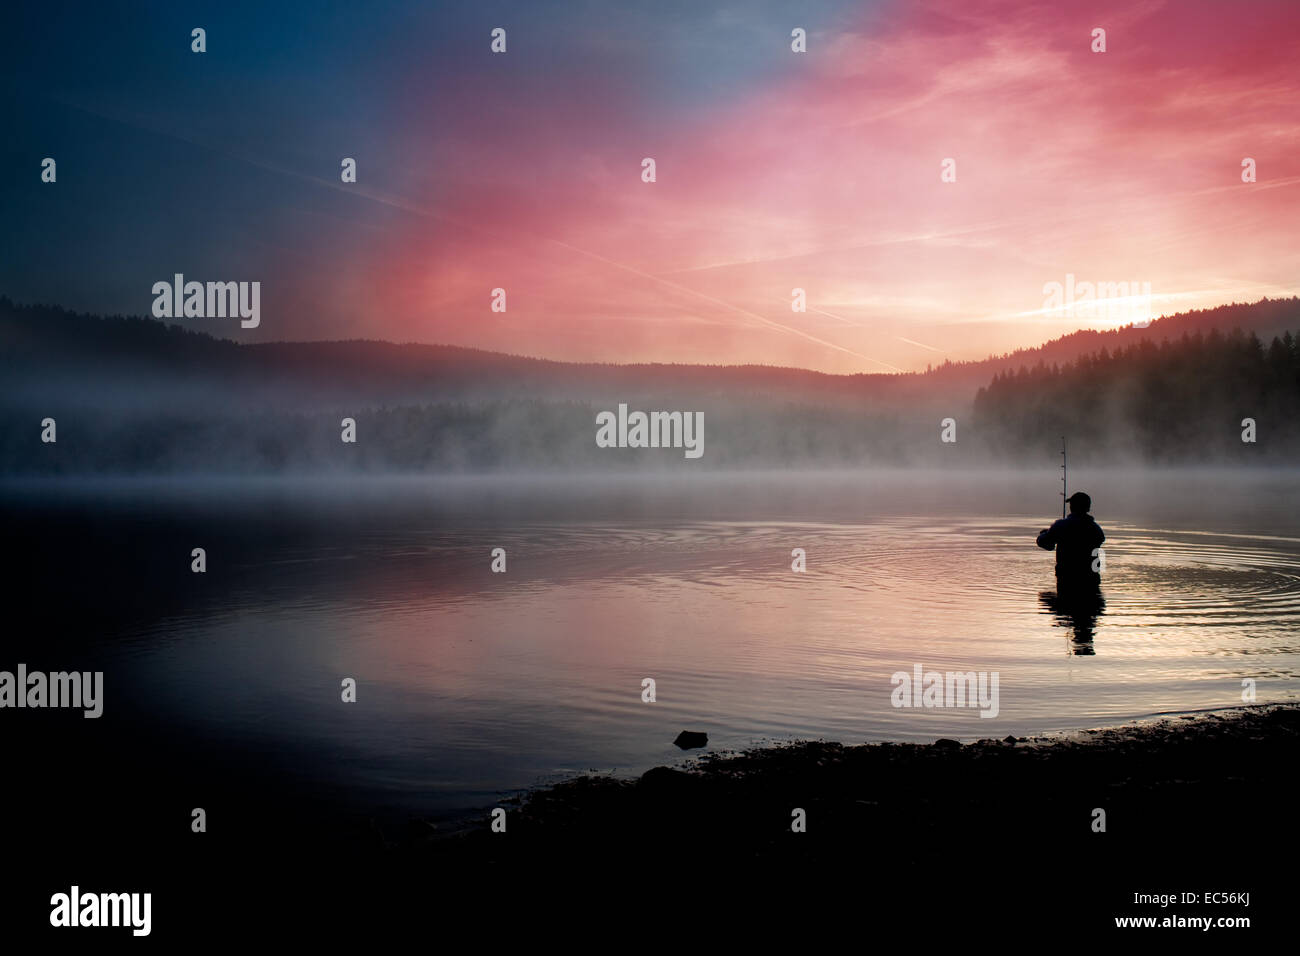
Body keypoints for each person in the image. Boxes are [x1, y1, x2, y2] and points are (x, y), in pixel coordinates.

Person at [1036, 491, 1105, 590]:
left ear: (1072, 507)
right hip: (1091, 578)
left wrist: (1045, 534)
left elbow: (1044, 542)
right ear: (1088, 508)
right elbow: (1100, 540)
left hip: (1066, 578)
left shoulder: (1061, 525)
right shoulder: (1096, 529)